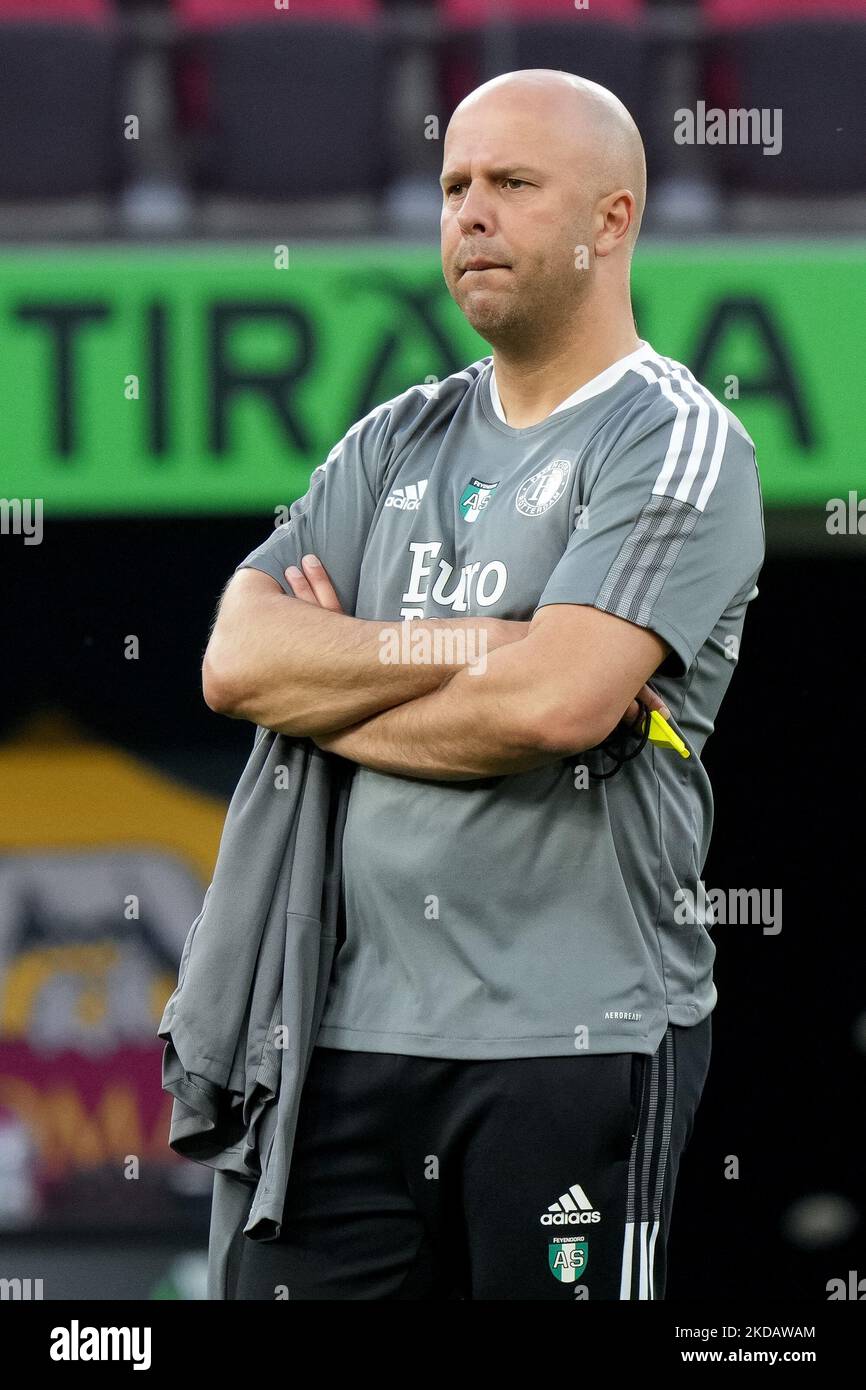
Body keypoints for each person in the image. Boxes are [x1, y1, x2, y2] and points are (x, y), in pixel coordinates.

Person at [202, 70, 765, 1300]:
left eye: (511, 184)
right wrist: (475, 639)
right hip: (336, 1038)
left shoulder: (675, 438)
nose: (468, 212)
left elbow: (554, 707)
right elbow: (237, 660)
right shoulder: (390, 435)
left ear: (609, 220)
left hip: (570, 1042)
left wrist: (341, 682)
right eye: (455, 184)